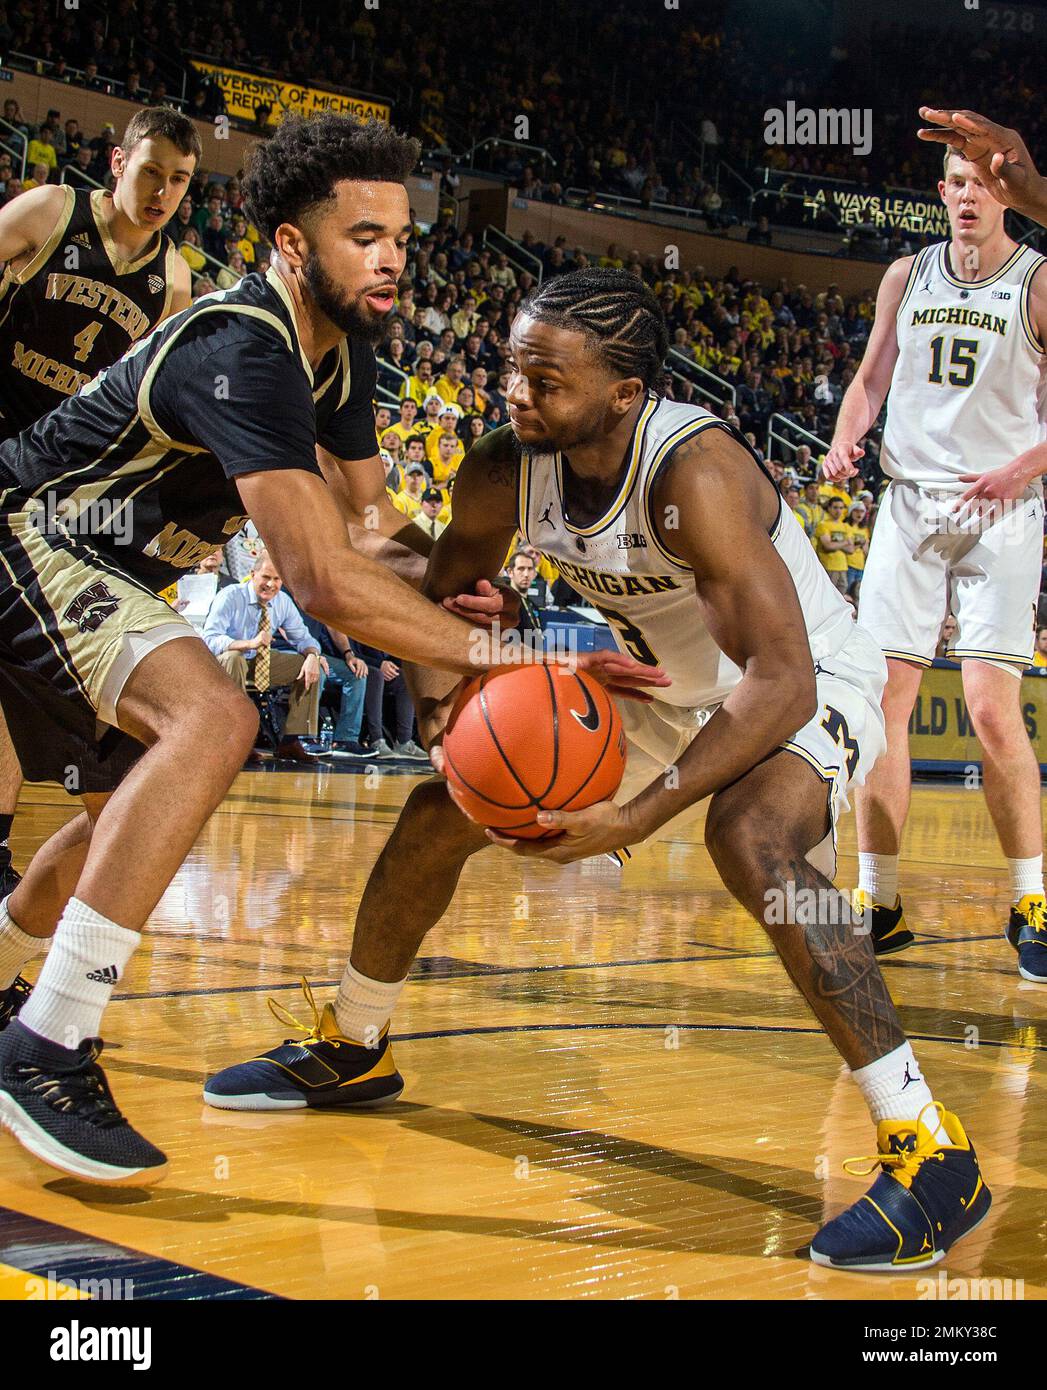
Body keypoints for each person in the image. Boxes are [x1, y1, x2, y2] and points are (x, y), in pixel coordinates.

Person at [206, 267, 991, 1275]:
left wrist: (641, 815)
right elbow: (442, 599)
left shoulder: (693, 471)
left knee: (745, 838)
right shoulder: (502, 467)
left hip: (805, 675)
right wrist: (460, 699)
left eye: (544, 380)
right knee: (437, 808)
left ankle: (928, 1146)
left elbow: (782, 680)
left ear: (625, 394)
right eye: (510, 370)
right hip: (656, 682)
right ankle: (352, 1044)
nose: (514, 393)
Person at [0, 117, 647, 1185]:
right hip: (29, 529)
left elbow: (375, 530)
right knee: (216, 718)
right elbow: (321, 577)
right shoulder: (242, 344)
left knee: (110, 829)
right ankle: (48, 1043)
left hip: (101, 572)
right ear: (295, 248)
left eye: (400, 233)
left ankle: (18, 977)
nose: (393, 255)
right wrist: (506, 669)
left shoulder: (339, 355)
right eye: (364, 235)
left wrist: (506, 630)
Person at [824, 141, 1047, 983]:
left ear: (1008, 195)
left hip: (1001, 510)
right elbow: (870, 377)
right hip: (910, 505)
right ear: (941, 192)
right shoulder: (904, 274)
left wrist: (1019, 469)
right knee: (883, 704)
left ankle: (1030, 899)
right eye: (955, 183)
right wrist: (850, 432)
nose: (966, 197)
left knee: (991, 712)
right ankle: (875, 901)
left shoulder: (1035, 279)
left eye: (982, 184)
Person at [0, 107, 199, 904]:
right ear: (117, 160)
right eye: (150, 171)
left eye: (179, 180)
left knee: (10, 675)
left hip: (48, 486)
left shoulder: (174, 281)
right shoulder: (49, 211)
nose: (161, 192)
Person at [203, 551, 327, 764]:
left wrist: (313, 655)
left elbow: (304, 638)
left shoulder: (283, 602)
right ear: (253, 575)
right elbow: (210, 639)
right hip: (225, 662)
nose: (271, 584)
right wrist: (248, 643)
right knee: (235, 658)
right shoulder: (231, 595)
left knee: (306, 665)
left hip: (260, 661)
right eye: (266, 577)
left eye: (276, 579)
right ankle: (239, 740)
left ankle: (290, 741)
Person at [813, 496, 853, 591]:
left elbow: (851, 549)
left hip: (843, 567)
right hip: (828, 566)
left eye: (841, 508)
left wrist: (836, 544)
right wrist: (845, 542)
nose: (838, 511)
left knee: (842, 598)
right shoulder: (823, 525)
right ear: (829, 508)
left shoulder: (846, 526)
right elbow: (828, 546)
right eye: (835, 507)